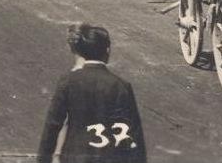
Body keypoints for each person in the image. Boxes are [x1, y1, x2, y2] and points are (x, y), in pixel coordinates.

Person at [37, 23, 146, 163]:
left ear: (82, 51)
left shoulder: (69, 81)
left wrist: (43, 160)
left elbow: (52, 125)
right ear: (107, 50)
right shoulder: (121, 86)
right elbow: (133, 134)